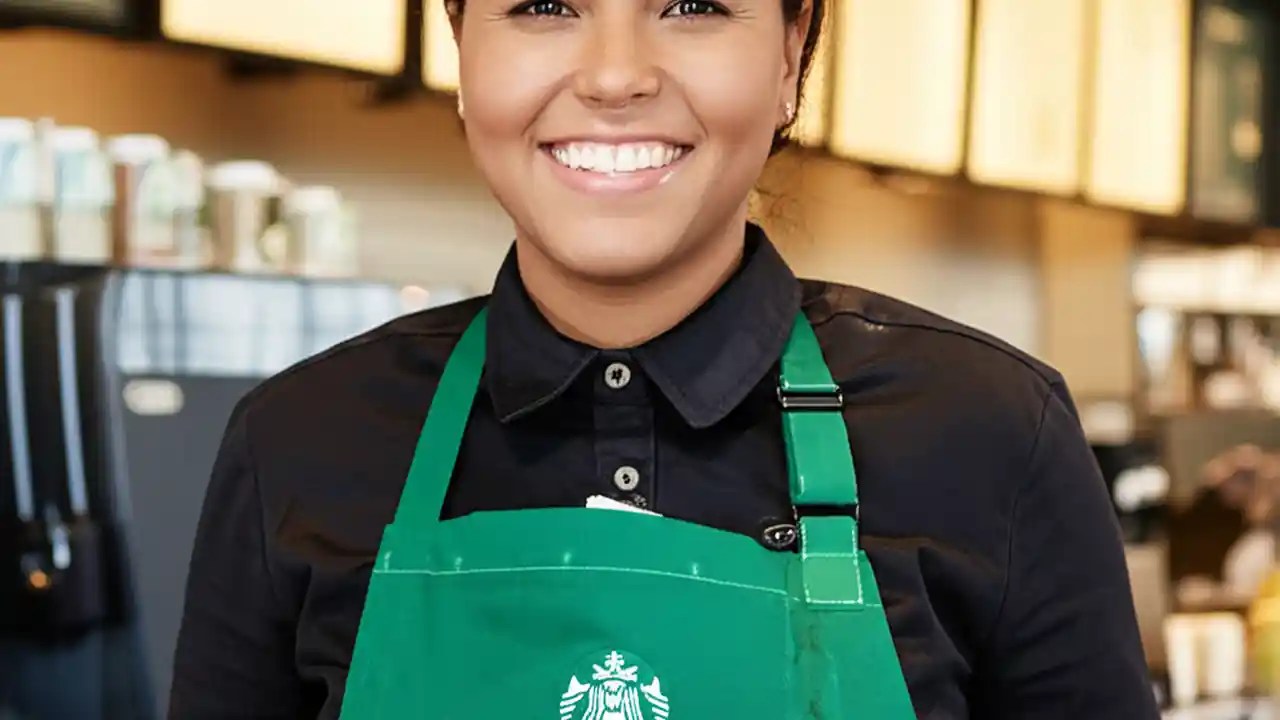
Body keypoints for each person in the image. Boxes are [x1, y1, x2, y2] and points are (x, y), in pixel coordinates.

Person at [168, 0, 1159, 716]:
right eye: (544, 4)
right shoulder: (298, 439)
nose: (612, 74)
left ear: (789, 51)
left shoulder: (990, 428)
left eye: (689, 4)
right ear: (461, 44)